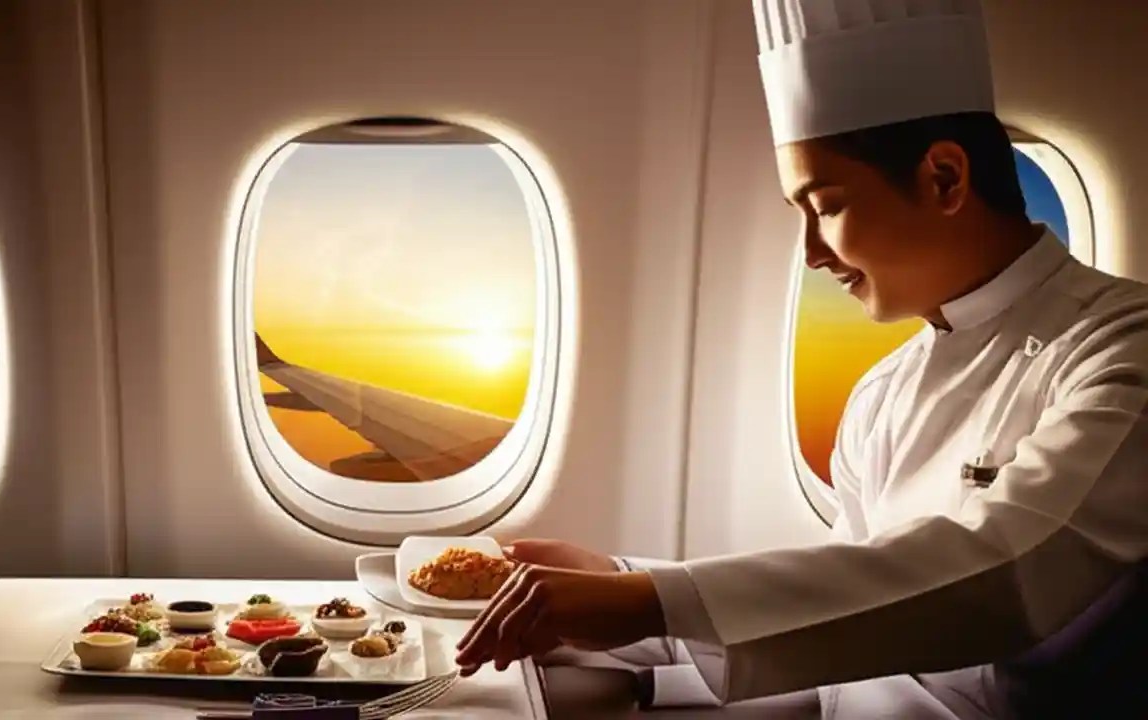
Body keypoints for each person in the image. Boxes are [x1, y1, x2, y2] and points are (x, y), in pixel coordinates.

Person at [455, 1, 1148, 717]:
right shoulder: (885, 390)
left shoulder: (1123, 348)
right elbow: (845, 623)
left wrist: (647, 600)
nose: (814, 252)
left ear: (945, 178)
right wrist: (617, 590)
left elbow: (1004, 575)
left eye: (827, 206)